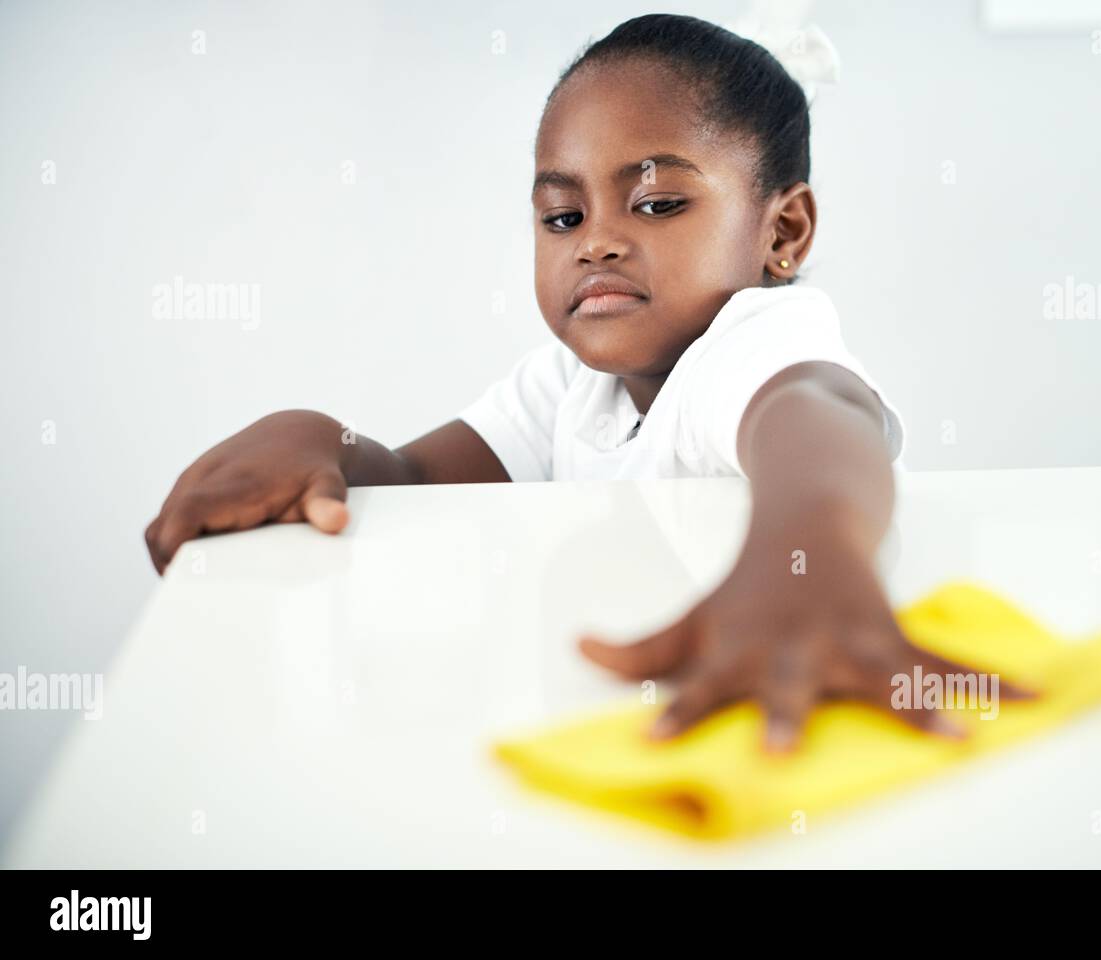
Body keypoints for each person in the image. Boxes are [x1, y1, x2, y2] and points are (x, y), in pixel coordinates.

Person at [144, 14, 1029, 751]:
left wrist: (810, 550)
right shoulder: (570, 386)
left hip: (841, 710)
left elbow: (821, 415)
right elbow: (414, 485)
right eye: (562, 215)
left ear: (783, 233)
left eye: (656, 204)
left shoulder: (758, 339)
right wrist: (316, 439)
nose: (594, 241)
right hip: (684, 726)